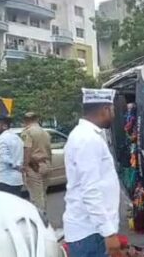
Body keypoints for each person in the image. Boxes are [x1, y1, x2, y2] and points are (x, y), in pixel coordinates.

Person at [63, 88, 124, 257]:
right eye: (112, 110)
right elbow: (90, 190)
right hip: (91, 233)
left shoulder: (85, 135)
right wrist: (109, 234)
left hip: (92, 230)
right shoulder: (87, 139)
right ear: (105, 109)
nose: (113, 114)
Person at [21, 112, 52, 221]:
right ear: (37, 119)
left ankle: (40, 222)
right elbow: (49, 150)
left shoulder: (28, 132)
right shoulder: (45, 132)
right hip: (46, 164)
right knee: (42, 194)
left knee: (36, 198)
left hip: (34, 166)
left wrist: (24, 166)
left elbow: (27, 149)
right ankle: (44, 217)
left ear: (26, 120)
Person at [0, 116, 24, 197]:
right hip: (17, 180)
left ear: (5, 126)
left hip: (4, 180)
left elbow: (5, 158)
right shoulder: (17, 138)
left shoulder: (2, 138)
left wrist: (15, 166)